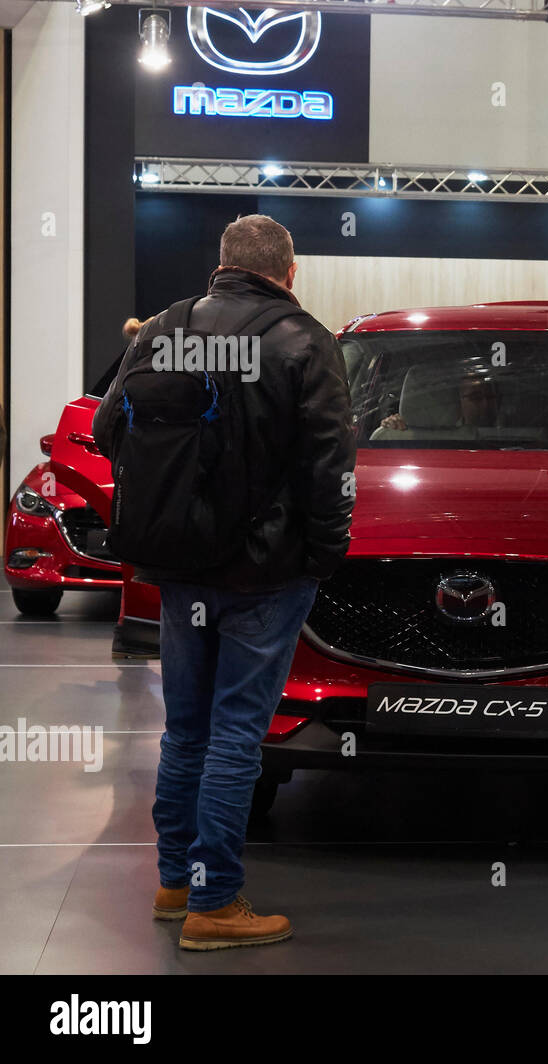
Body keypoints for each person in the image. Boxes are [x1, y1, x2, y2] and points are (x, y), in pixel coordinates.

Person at [93, 214, 357, 947]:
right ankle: (216, 905)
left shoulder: (164, 331)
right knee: (238, 734)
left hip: (180, 565)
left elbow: (110, 429)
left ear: (221, 265)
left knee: (186, 730)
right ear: (289, 271)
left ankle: (176, 883)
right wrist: (326, 552)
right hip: (266, 573)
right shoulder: (307, 342)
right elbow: (330, 465)